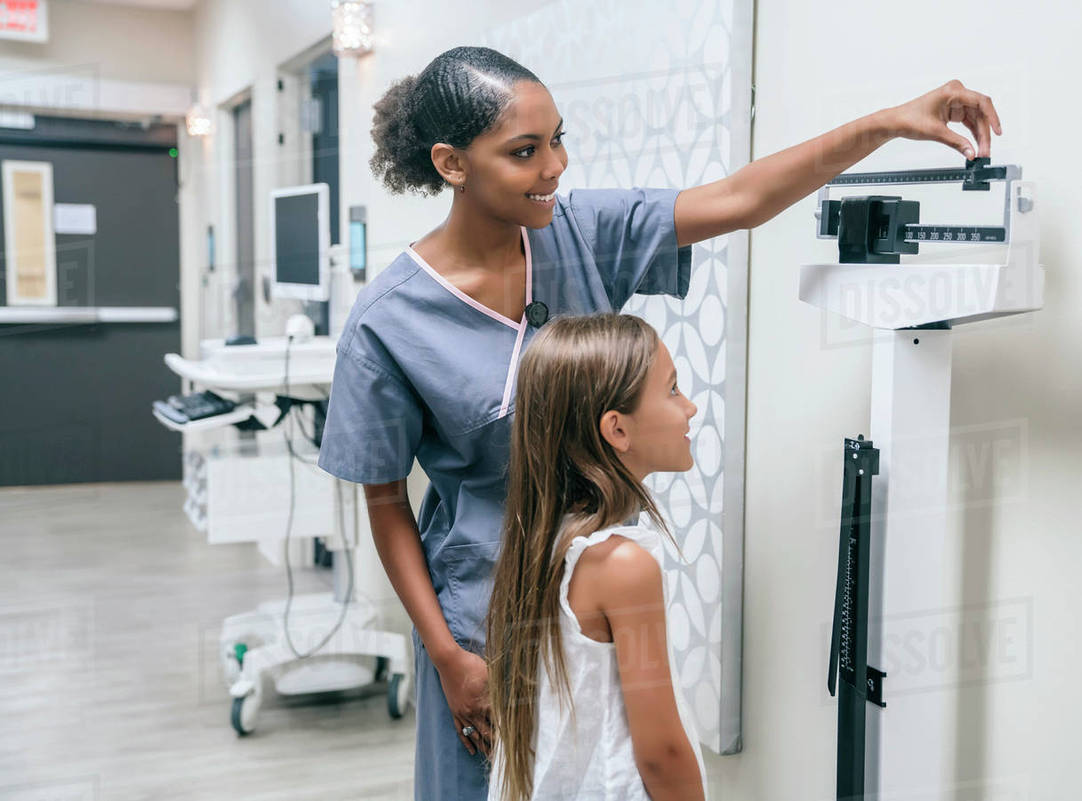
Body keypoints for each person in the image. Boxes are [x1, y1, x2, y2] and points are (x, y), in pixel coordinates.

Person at [316, 45, 1000, 801]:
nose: (556, 167)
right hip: (486, 622)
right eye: (524, 152)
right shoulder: (389, 322)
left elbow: (740, 197)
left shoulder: (578, 231)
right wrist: (447, 654)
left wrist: (887, 124)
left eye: (557, 139)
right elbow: (384, 500)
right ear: (452, 163)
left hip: (596, 603)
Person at [485, 312, 705, 801]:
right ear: (617, 430)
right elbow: (661, 753)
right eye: (672, 390)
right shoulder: (623, 568)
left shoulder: (547, 541)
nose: (689, 407)